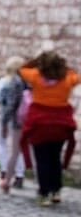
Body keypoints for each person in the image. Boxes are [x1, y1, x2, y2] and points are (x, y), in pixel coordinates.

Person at [18, 50, 79, 205]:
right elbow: (77, 75)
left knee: (42, 159)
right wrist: (63, 66)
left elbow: (21, 69)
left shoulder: (35, 76)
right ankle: (56, 191)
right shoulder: (67, 78)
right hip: (60, 125)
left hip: (39, 125)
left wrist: (35, 60)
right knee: (55, 158)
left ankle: (44, 193)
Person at [0, 56, 27, 192]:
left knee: (2, 144)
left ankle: (4, 171)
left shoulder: (6, 82)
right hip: (24, 118)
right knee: (21, 149)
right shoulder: (27, 83)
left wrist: (4, 122)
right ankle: (19, 174)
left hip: (8, 117)